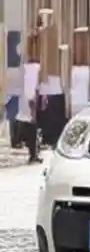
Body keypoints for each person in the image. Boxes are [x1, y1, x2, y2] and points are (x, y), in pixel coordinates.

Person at [15, 32, 41, 163]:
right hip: (31, 100)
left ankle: (32, 152)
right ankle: (33, 154)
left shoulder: (25, 67)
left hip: (27, 99)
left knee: (30, 127)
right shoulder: (36, 68)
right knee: (33, 128)